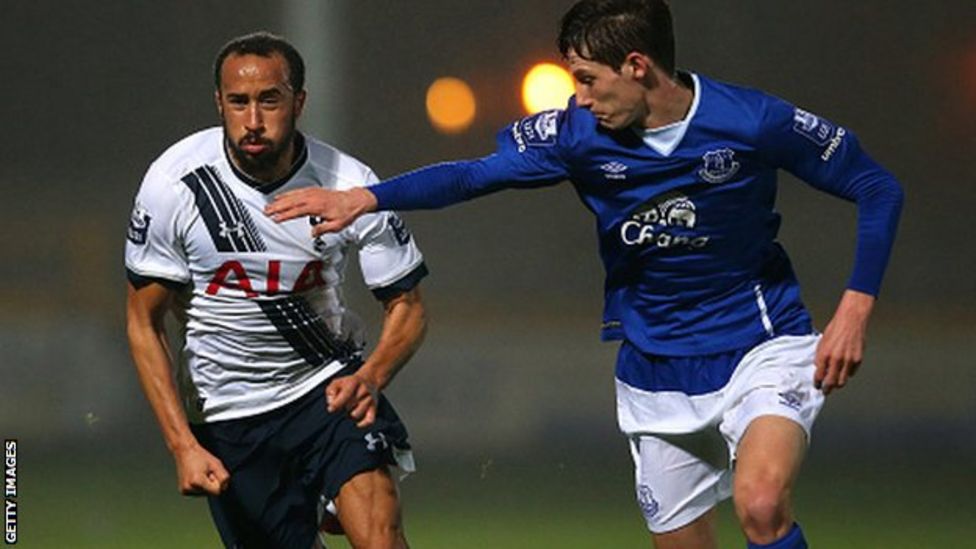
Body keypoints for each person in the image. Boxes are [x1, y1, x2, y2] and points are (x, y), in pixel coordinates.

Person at [265, 1, 904, 548]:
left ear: (637, 66)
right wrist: (365, 199)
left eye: (588, 79)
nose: (580, 97)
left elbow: (876, 186)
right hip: (654, 368)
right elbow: (471, 175)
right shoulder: (578, 136)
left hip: (761, 346)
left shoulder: (751, 121)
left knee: (761, 504)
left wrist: (854, 307)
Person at [125, 31, 428, 549]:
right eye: (238, 102)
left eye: (270, 100)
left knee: (382, 538)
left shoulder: (348, 184)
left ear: (298, 102)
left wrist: (372, 376)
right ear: (219, 103)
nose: (254, 120)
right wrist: (182, 446)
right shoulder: (173, 184)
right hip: (228, 412)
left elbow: (408, 306)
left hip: (328, 391)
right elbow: (143, 322)